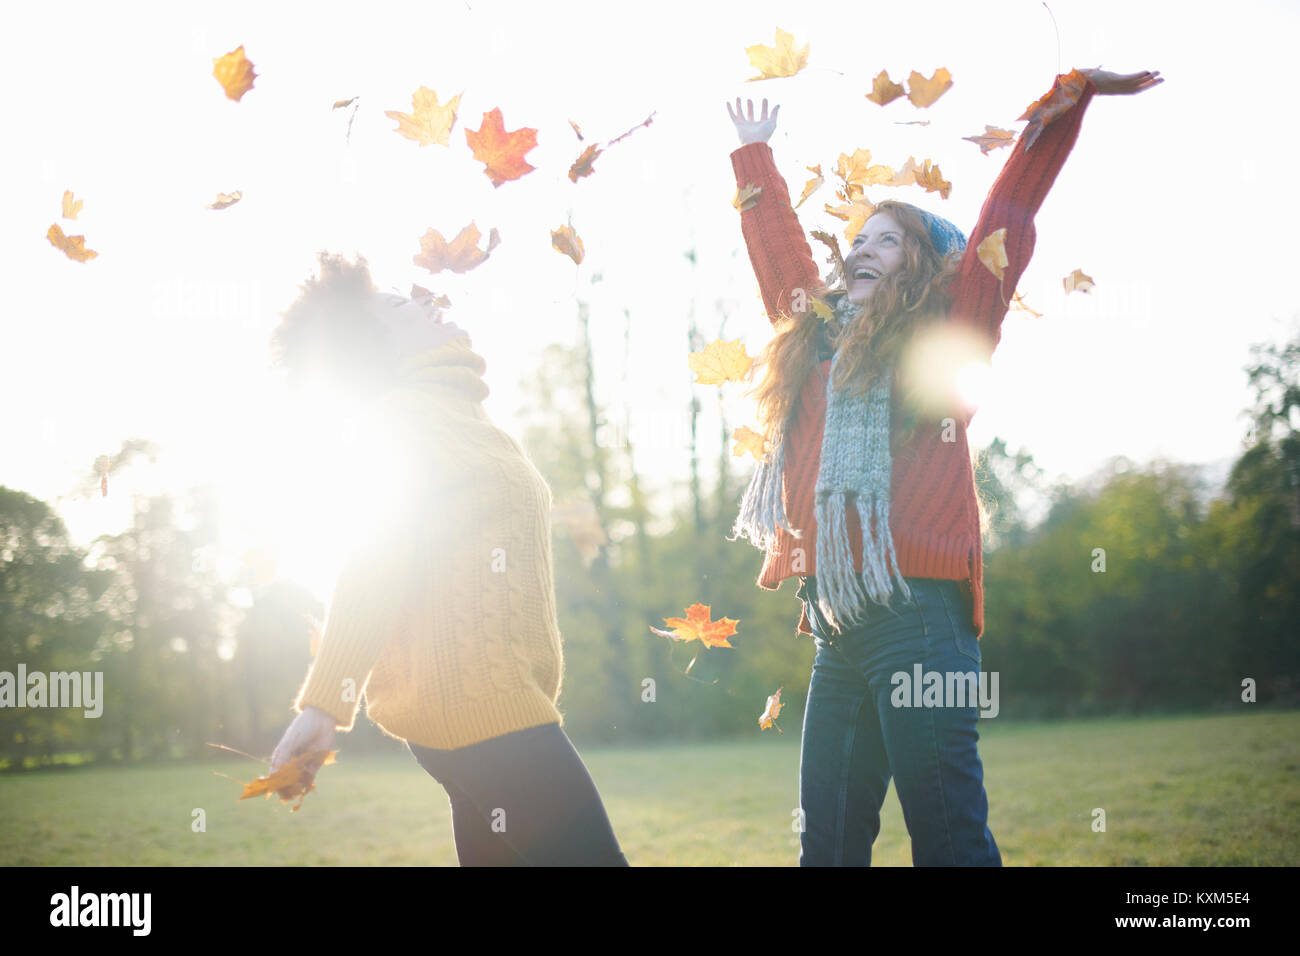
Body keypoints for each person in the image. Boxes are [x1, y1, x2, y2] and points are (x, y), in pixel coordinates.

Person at [725, 68, 1162, 866]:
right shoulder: (819, 342)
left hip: (922, 619)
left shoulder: (946, 339)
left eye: (886, 239)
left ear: (927, 266)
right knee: (825, 842)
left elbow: (1006, 222)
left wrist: (1051, 123)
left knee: (949, 834)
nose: (860, 247)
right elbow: (782, 263)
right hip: (838, 626)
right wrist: (754, 155)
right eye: (857, 238)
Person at [265, 252, 628, 866]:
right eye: (406, 305)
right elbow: (374, 556)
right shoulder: (403, 418)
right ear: (374, 344)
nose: (430, 300)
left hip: (485, 710)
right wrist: (326, 702)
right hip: (483, 716)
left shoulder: (459, 414)